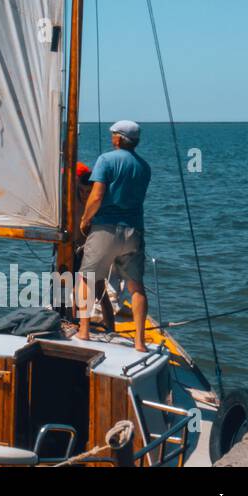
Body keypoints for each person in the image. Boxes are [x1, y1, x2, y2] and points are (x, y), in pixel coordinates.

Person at [77, 120, 151, 350]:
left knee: (87, 278)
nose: (112, 138)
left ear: (119, 139)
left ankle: (84, 330)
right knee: (136, 287)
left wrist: (85, 219)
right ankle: (139, 342)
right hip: (134, 231)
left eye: (113, 135)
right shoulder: (144, 167)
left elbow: (97, 196)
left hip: (106, 228)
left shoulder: (105, 160)